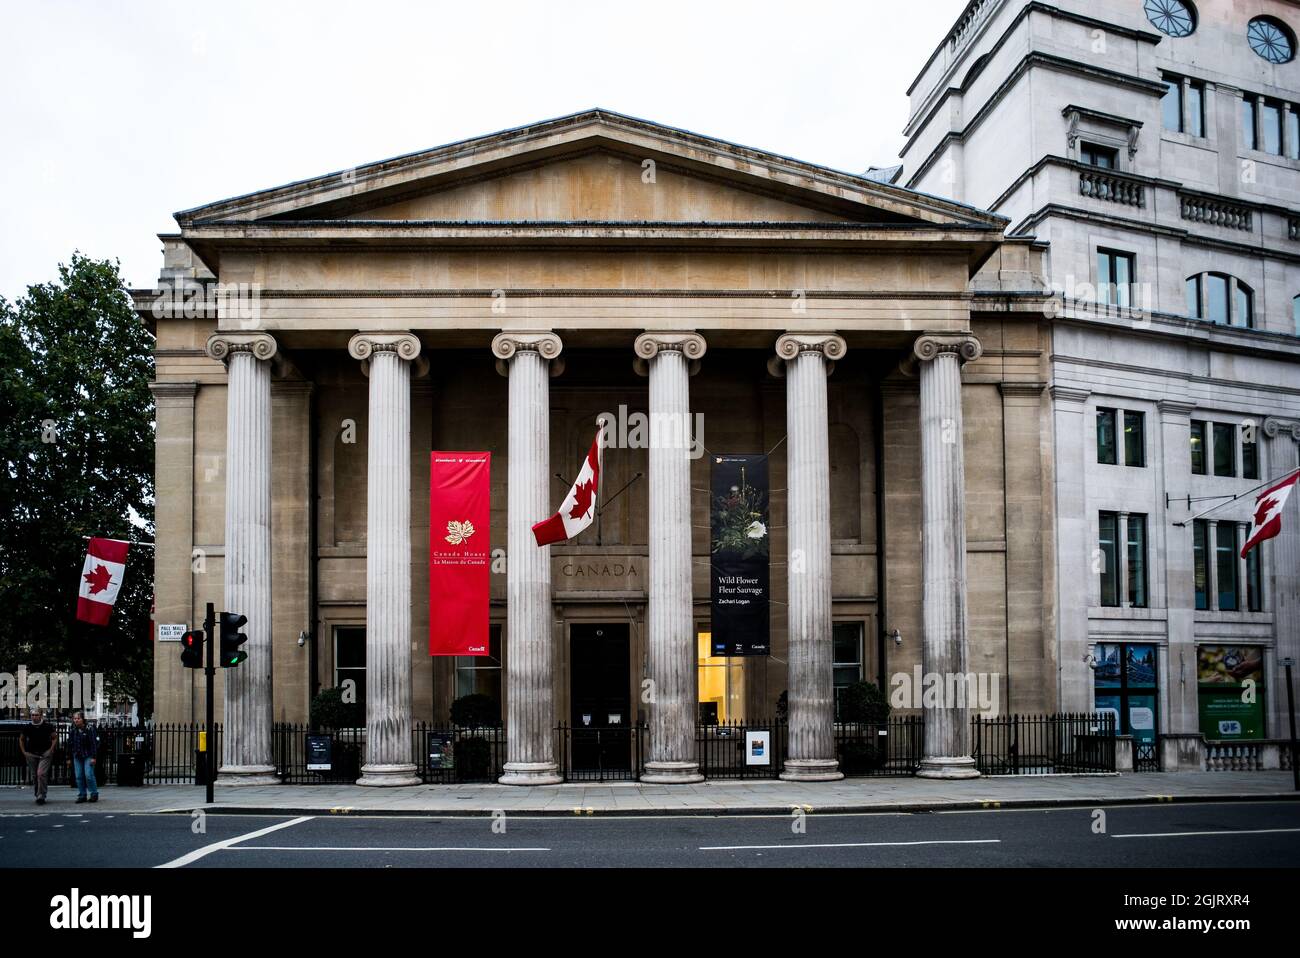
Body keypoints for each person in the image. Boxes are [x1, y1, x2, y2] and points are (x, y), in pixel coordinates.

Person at [18, 708, 57, 805]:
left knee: (41, 773)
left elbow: (55, 738)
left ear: (41, 716)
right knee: (35, 775)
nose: (34, 717)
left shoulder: (47, 726)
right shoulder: (28, 727)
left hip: (45, 753)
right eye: (33, 715)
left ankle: (41, 795)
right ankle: (37, 793)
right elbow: (21, 739)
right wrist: (24, 752)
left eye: (36, 715)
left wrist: (51, 749)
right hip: (31, 753)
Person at [67, 710, 100, 803]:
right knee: (78, 776)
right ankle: (82, 795)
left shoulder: (90, 729)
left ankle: (94, 794)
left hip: (88, 755)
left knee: (89, 775)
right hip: (77, 755)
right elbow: (70, 744)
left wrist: (94, 757)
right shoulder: (73, 730)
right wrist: (69, 758)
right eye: (75, 719)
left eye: (78, 718)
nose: (76, 720)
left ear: (83, 719)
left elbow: (94, 743)